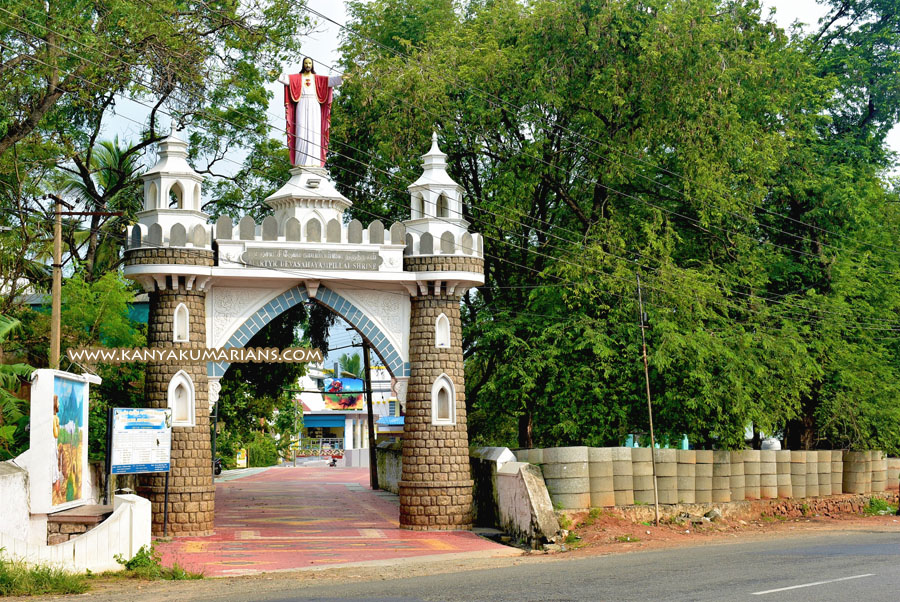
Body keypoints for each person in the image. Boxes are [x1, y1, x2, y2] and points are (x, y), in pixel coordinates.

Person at [279, 57, 344, 167]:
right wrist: (277, 74)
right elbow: (286, 79)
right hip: (302, 103)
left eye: (309, 63)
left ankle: (314, 161)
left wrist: (341, 77)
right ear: (303, 64)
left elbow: (331, 81)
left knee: (315, 132)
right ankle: (300, 162)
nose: (308, 65)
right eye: (306, 63)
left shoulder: (317, 79)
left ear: (312, 65)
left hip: (315, 104)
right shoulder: (297, 78)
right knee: (301, 131)